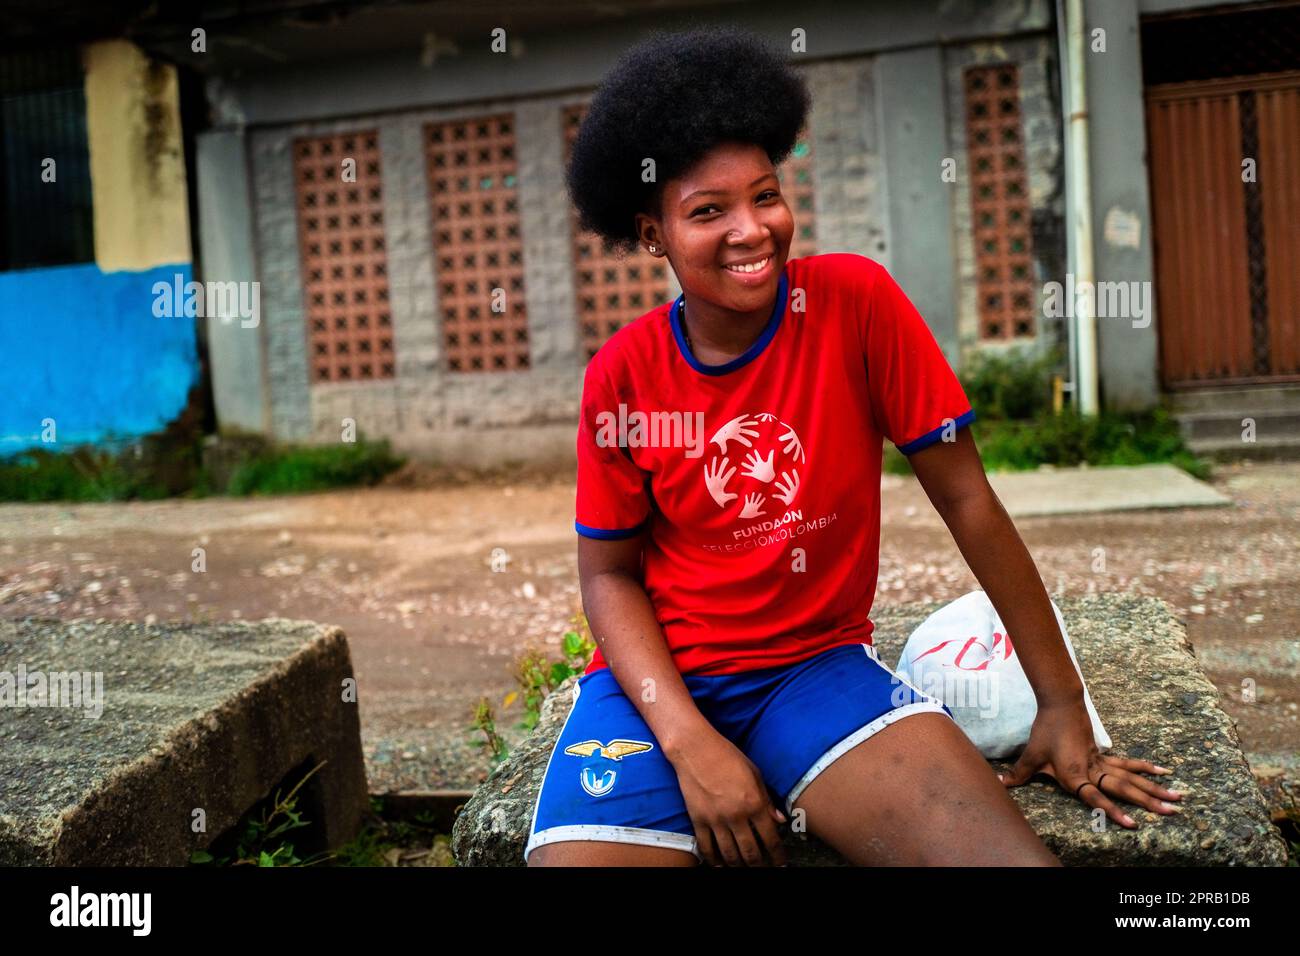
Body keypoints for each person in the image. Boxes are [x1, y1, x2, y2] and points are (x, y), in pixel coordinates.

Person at [526, 26, 1182, 867]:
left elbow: (969, 499)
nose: (751, 229)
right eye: (707, 211)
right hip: (649, 696)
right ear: (651, 233)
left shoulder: (855, 304)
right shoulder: (623, 375)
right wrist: (689, 743)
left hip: (814, 672)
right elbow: (608, 577)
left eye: (765, 195)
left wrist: (1063, 702)